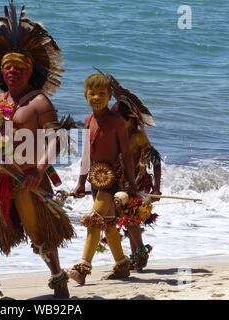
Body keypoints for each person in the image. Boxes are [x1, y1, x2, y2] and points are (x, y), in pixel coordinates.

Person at [0, 2, 74, 300]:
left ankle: (57, 279)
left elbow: (56, 140)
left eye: (18, 67)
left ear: (29, 71)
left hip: (28, 177)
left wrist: (39, 170)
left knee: (41, 233)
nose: (12, 71)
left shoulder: (39, 102)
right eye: (7, 67)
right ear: (1, 71)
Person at [68, 73, 137, 285]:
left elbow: (126, 153)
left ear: (109, 97)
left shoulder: (116, 121)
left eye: (101, 94)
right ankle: (122, 265)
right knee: (107, 224)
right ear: (85, 96)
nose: (96, 97)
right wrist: (81, 182)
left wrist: (132, 183)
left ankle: (82, 268)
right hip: (94, 179)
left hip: (111, 180)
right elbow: (87, 155)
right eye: (92, 93)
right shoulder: (89, 121)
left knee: (94, 221)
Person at [110, 75, 162, 271]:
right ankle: (135, 256)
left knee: (130, 218)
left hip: (137, 182)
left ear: (131, 121)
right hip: (119, 182)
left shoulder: (138, 137)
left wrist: (157, 188)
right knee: (125, 220)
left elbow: (155, 161)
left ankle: (139, 253)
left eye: (119, 120)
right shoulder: (116, 135)